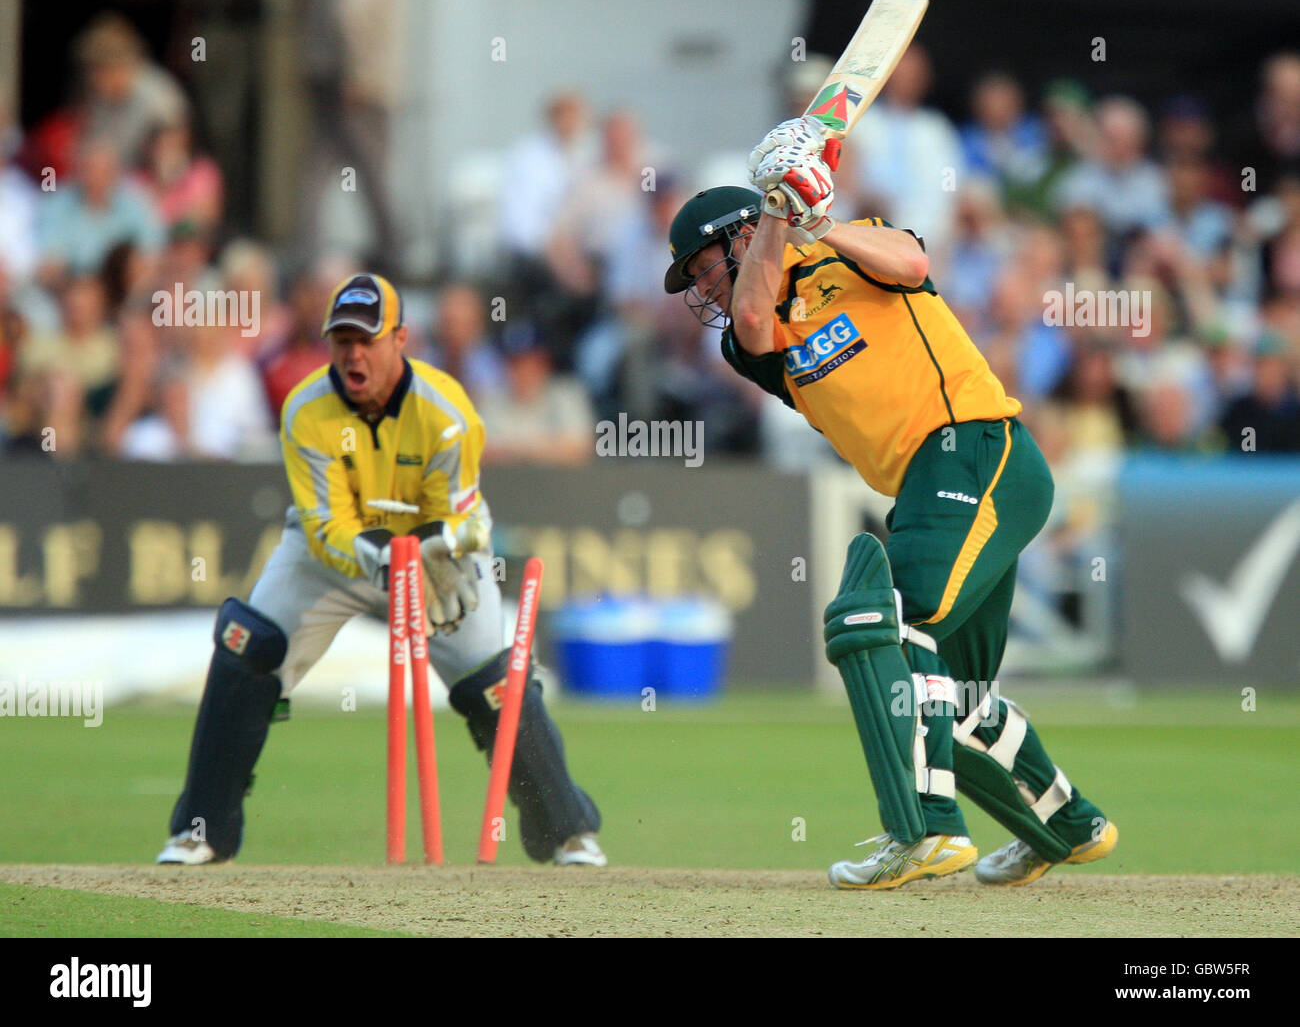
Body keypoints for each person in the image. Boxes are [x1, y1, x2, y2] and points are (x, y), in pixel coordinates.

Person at [663, 120, 1117, 890]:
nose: (703, 288)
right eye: (695, 281)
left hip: (974, 445)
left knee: (883, 618)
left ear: (739, 238)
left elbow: (912, 260)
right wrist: (779, 209)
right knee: (963, 701)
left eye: (705, 267)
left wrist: (814, 219)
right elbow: (749, 319)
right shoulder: (751, 333)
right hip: (927, 485)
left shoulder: (853, 243)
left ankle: (925, 830)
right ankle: (1070, 825)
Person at [157, 273, 605, 866]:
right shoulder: (305, 410)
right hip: (336, 555)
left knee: (493, 683)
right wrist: (377, 559)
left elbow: (465, 520)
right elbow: (323, 524)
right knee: (247, 644)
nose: (353, 354)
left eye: (367, 339)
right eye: (341, 340)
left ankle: (567, 831)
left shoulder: (447, 411)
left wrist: (427, 558)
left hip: (436, 558)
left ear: (400, 339)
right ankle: (201, 830)